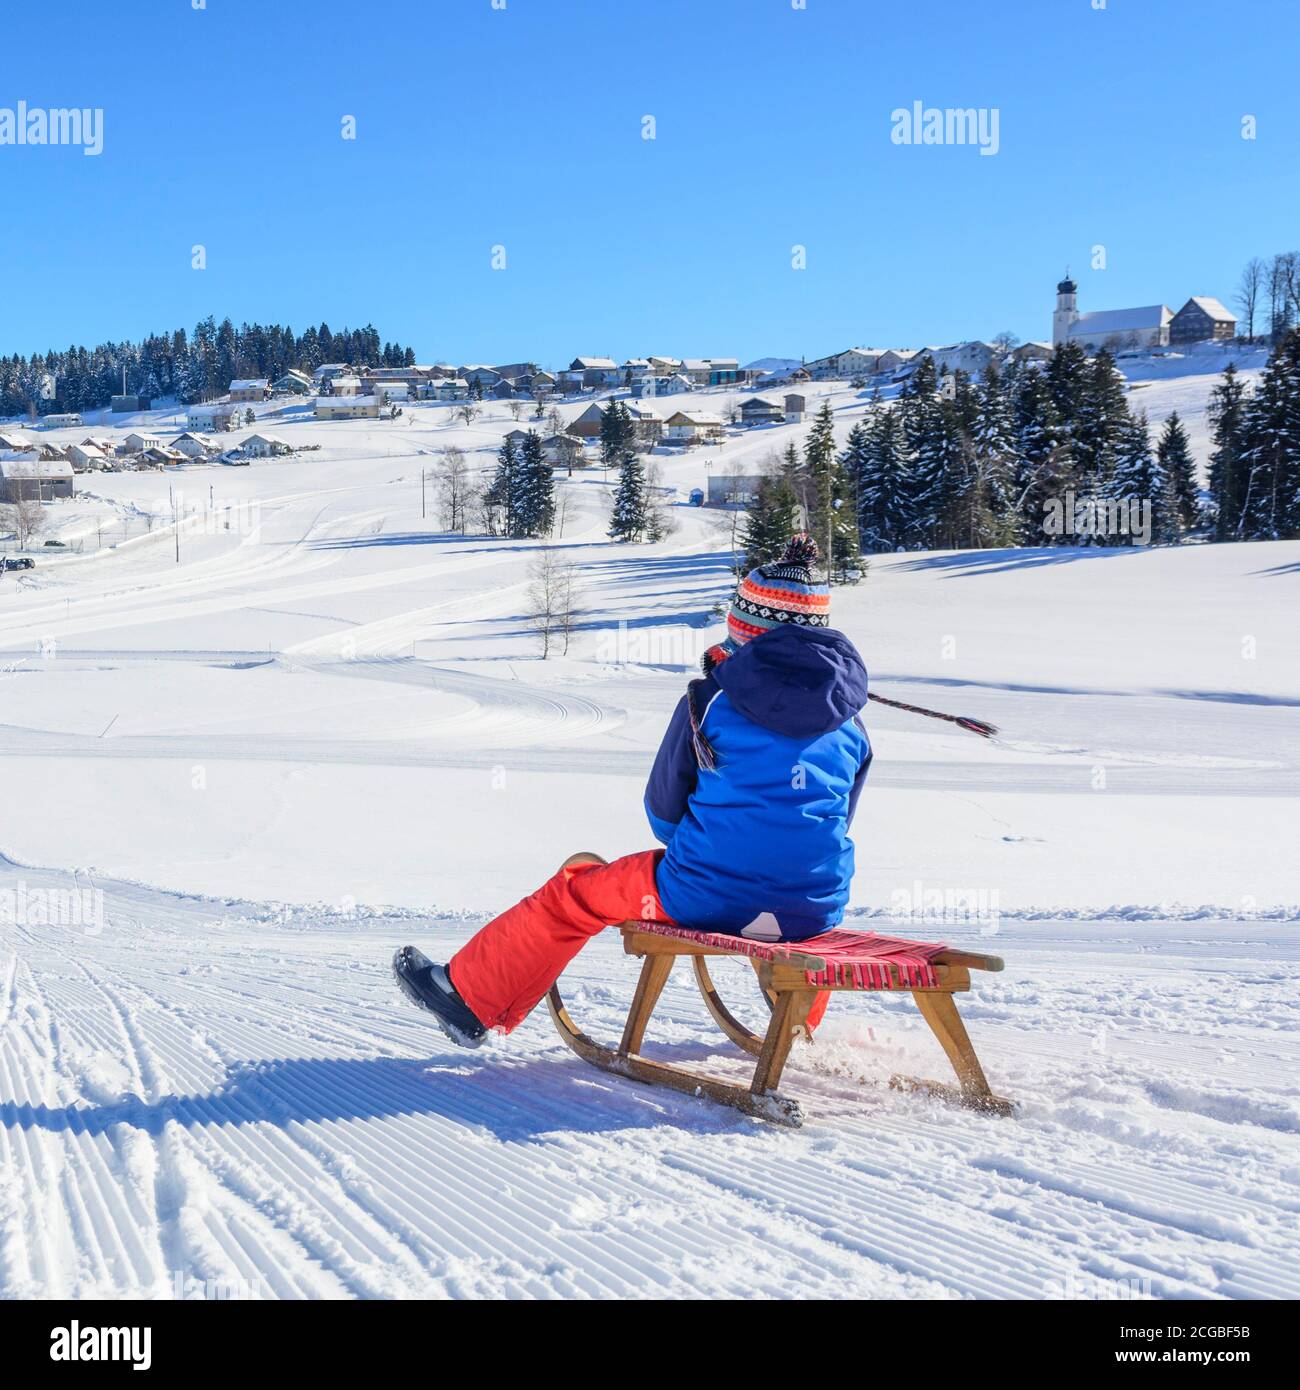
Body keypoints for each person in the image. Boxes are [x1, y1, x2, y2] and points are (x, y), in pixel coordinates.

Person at [394, 534, 872, 1047]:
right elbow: (835, 821)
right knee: (792, 884)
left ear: (743, 627)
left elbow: (663, 815)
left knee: (573, 893)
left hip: (703, 896)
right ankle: (799, 1028)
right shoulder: (851, 722)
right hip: (814, 907)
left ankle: (467, 996)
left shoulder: (709, 702)